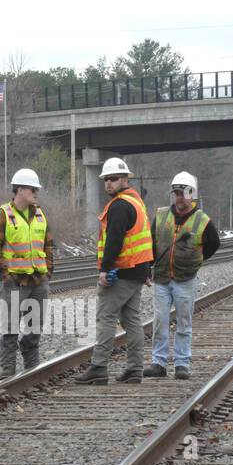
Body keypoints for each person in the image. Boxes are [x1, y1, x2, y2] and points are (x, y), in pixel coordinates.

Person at [75, 157, 153, 385]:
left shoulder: (119, 205)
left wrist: (105, 268)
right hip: (137, 271)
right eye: (106, 180)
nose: (109, 183)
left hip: (121, 271)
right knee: (132, 320)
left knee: (106, 317)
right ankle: (135, 368)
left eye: (114, 179)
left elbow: (115, 241)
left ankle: (99, 367)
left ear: (125, 179)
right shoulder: (137, 203)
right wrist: (147, 269)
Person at [145, 171, 220, 380]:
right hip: (161, 277)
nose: (178, 197)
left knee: (184, 322)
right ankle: (158, 362)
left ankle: (182, 363)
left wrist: (196, 261)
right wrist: (147, 268)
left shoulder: (202, 220)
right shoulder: (161, 215)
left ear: (191, 194)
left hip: (185, 279)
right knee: (160, 321)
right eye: (176, 193)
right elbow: (151, 243)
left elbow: (214, 243)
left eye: (182, 193)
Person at [0, 168, 54, 378]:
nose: (36, 193)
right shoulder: (3, 214)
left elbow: (48, 245)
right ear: (21, 190)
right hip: (15, 281)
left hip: (38, 281)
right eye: (33, 189)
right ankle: (8, 372)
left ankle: (31, 369)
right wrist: (4, 276)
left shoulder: (41, 214)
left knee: (35, 329)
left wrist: (47, 272)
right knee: (10, 328)